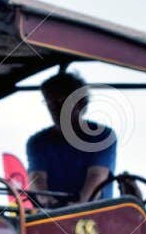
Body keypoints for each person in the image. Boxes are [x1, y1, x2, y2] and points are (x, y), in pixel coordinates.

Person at [25, 69, 116, 207]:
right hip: (52, 215)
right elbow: (37, 179)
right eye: (50, 103)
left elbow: (96, 177)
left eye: (62, 102)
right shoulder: (37, 142)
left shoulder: (102, 136)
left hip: (96, 218)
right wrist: (47, 202)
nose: (55, 109)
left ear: (81, 103)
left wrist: (76, 207)